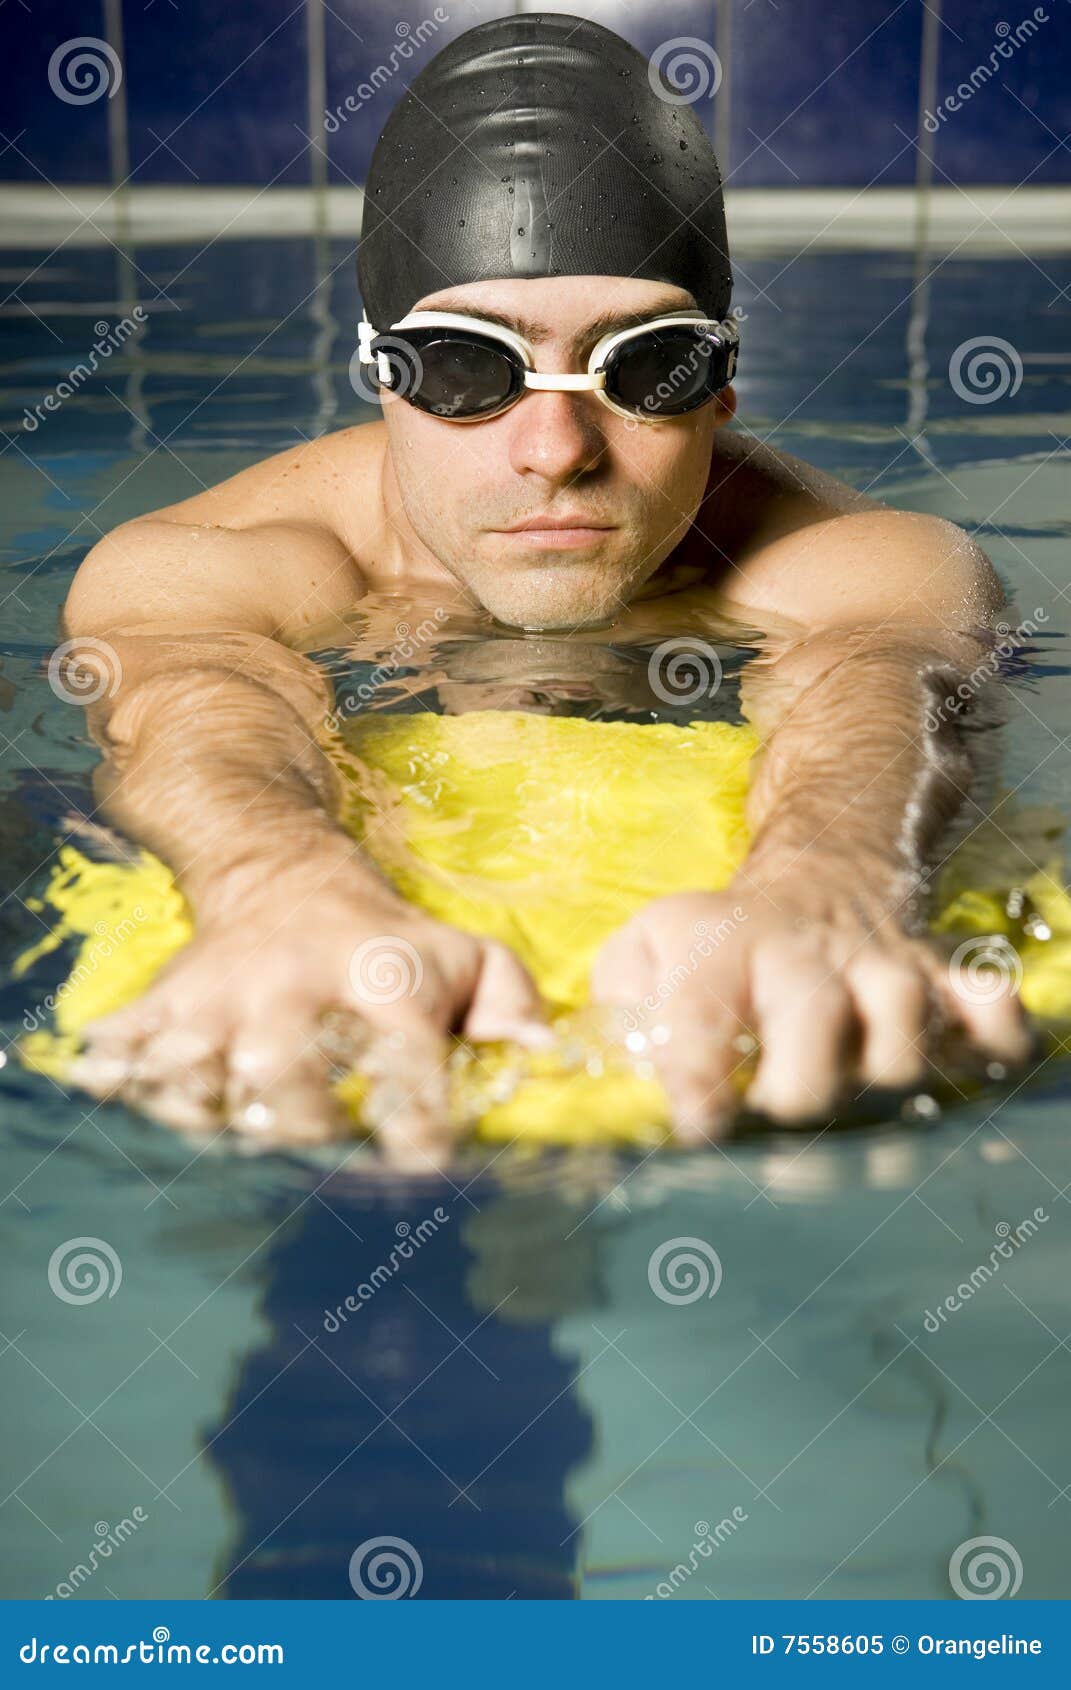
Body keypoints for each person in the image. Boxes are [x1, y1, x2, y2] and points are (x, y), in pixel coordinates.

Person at [58, 13, 1030, 1168]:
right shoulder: (204, 564)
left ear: (722, 385)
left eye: (645, 364)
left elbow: (880, 686)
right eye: (472, 365)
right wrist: (276, 890)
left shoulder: (870, 561)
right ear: (381, 377)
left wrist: (831, 882)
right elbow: (202, 702)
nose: (556, 448)